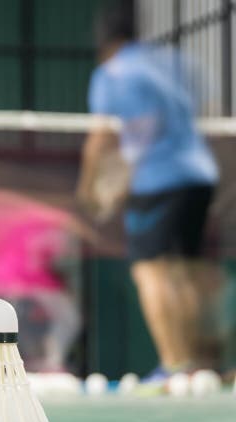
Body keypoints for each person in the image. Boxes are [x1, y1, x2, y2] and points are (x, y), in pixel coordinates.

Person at [76, 1, 220, 380]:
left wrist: (88, 188)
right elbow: (204, 106)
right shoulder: (170, 61)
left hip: (159, 181)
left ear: (105, 43)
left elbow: (101, 138)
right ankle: (190, 366)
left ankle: (173, 366)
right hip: (200, 175)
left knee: (150, 272)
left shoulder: (110, 73)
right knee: (182, 271)